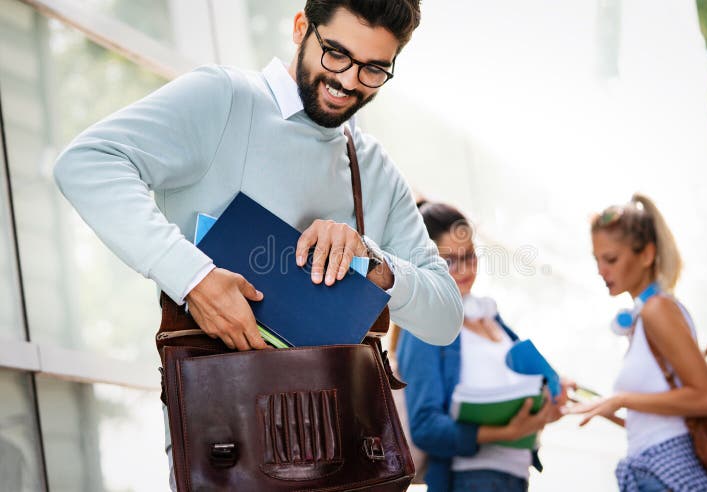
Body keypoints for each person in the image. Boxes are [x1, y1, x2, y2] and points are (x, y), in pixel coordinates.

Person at [52, 0, 463, 487]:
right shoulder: (222, 98)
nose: (350, 80)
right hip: (229, 454)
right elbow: (87, 161)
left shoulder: (371, 167)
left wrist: (371, 259)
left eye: (374, 69)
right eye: (336, 54)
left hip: (346, 462)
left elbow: (445, 318)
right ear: (299, 28)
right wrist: (193, 278)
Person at [397, 201, 564, 492]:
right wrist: (505, 431)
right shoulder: (425, 325)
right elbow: (425, 427)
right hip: (468, 478)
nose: (464, 270)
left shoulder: (492, 317)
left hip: (516, 474)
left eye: (470, 256)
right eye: (450, 261)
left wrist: (548, 395)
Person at [566, 193, 707, 492]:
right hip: (651, 467)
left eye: (610, 259)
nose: (601, 270)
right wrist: (595, 404)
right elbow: (653, 420)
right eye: (597, 260)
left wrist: (622, 399)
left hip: (668, 469)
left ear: (647, 255)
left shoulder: (658, 310)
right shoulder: (645, 316)